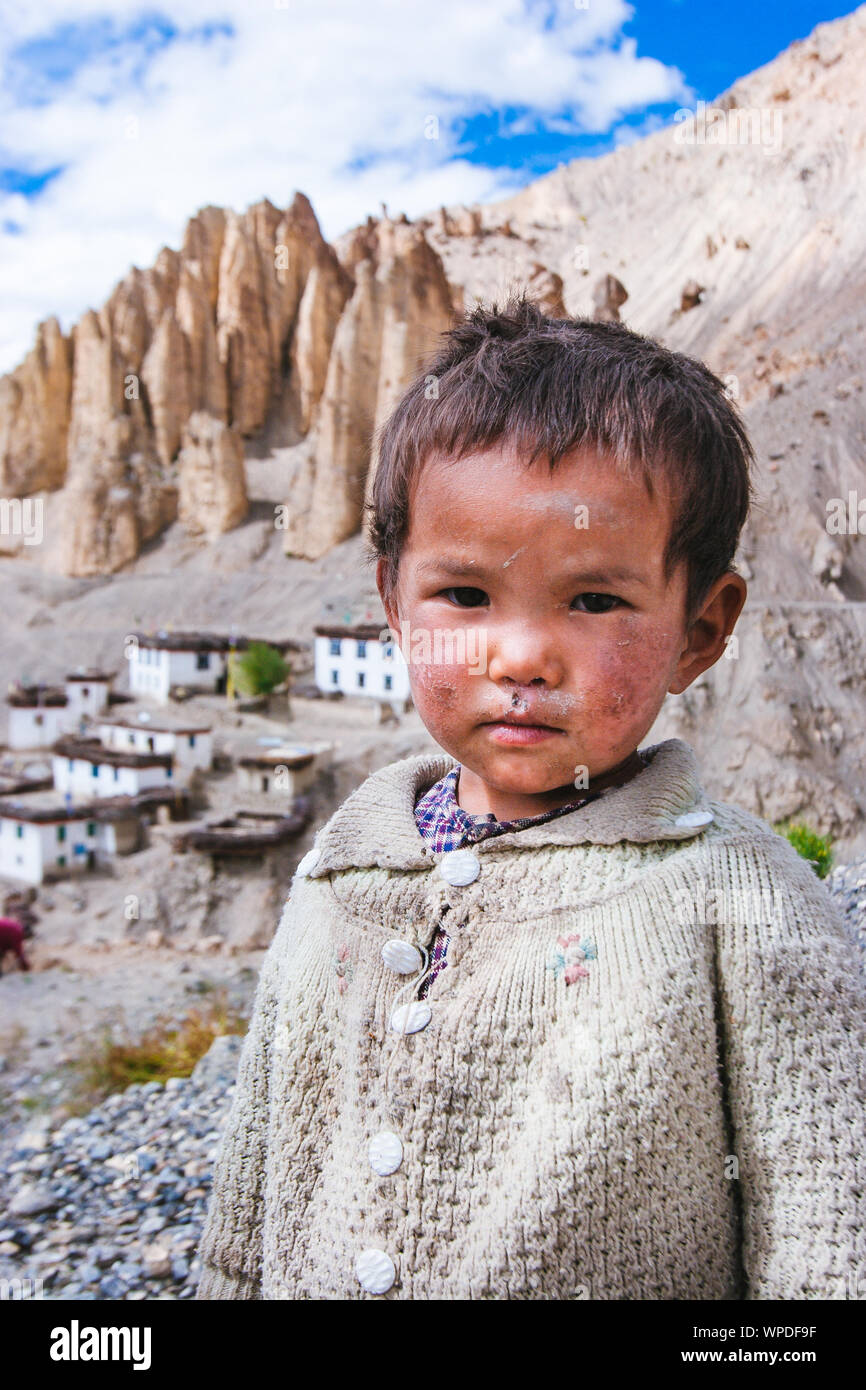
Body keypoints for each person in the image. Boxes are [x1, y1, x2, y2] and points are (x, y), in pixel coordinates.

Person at [196, 295, 866, 1300]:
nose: (518, 655)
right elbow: (251, 1204)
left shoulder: (741, 901)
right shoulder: (340, 870)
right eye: (464, 595)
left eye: (593, 600)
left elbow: (827, 1236)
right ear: (393, 604)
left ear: (698, 629)